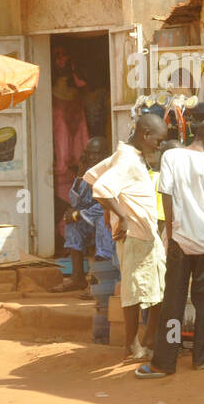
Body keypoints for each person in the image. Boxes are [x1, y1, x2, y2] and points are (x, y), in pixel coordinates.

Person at [137, 117, 204, 377]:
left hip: (181, 241)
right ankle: (202, 356)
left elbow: (166, 196)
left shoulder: (172, 158)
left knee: (173, 302)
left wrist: (170, 234)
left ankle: (164, 362)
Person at [85, 115, 168, 362]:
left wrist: (110, 210)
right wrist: (120, 216)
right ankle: (132, 347)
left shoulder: (129, 156)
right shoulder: (128, 159)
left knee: (158, 290)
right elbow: (100, 188)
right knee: (134, 292)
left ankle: (149, 340)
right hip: (134, 237)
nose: (159, 146)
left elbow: (92, 175)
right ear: (145, 135)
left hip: (144, 235)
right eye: (158, 140)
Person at [53, 137, 114, 293]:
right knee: (72, 223)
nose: (93, 158)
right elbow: (74, 200)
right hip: (89, 217)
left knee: (102, 223)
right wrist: (80, 172)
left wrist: (80, 213)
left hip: (110, 219)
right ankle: (77, 277)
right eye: (89, 154)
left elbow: (106, 206)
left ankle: (100, 282)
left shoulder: (112, 173)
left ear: (106, 154)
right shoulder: (88, 172)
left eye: (97, 154)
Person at [51, 46, 91, 235]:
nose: (63, 63)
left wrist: (82, 156)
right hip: (57, 161)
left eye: (66, 59)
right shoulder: (48, 96)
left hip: (75, 159)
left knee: (78, 199)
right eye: (59, 59)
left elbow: (82, 126)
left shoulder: (76, 96)